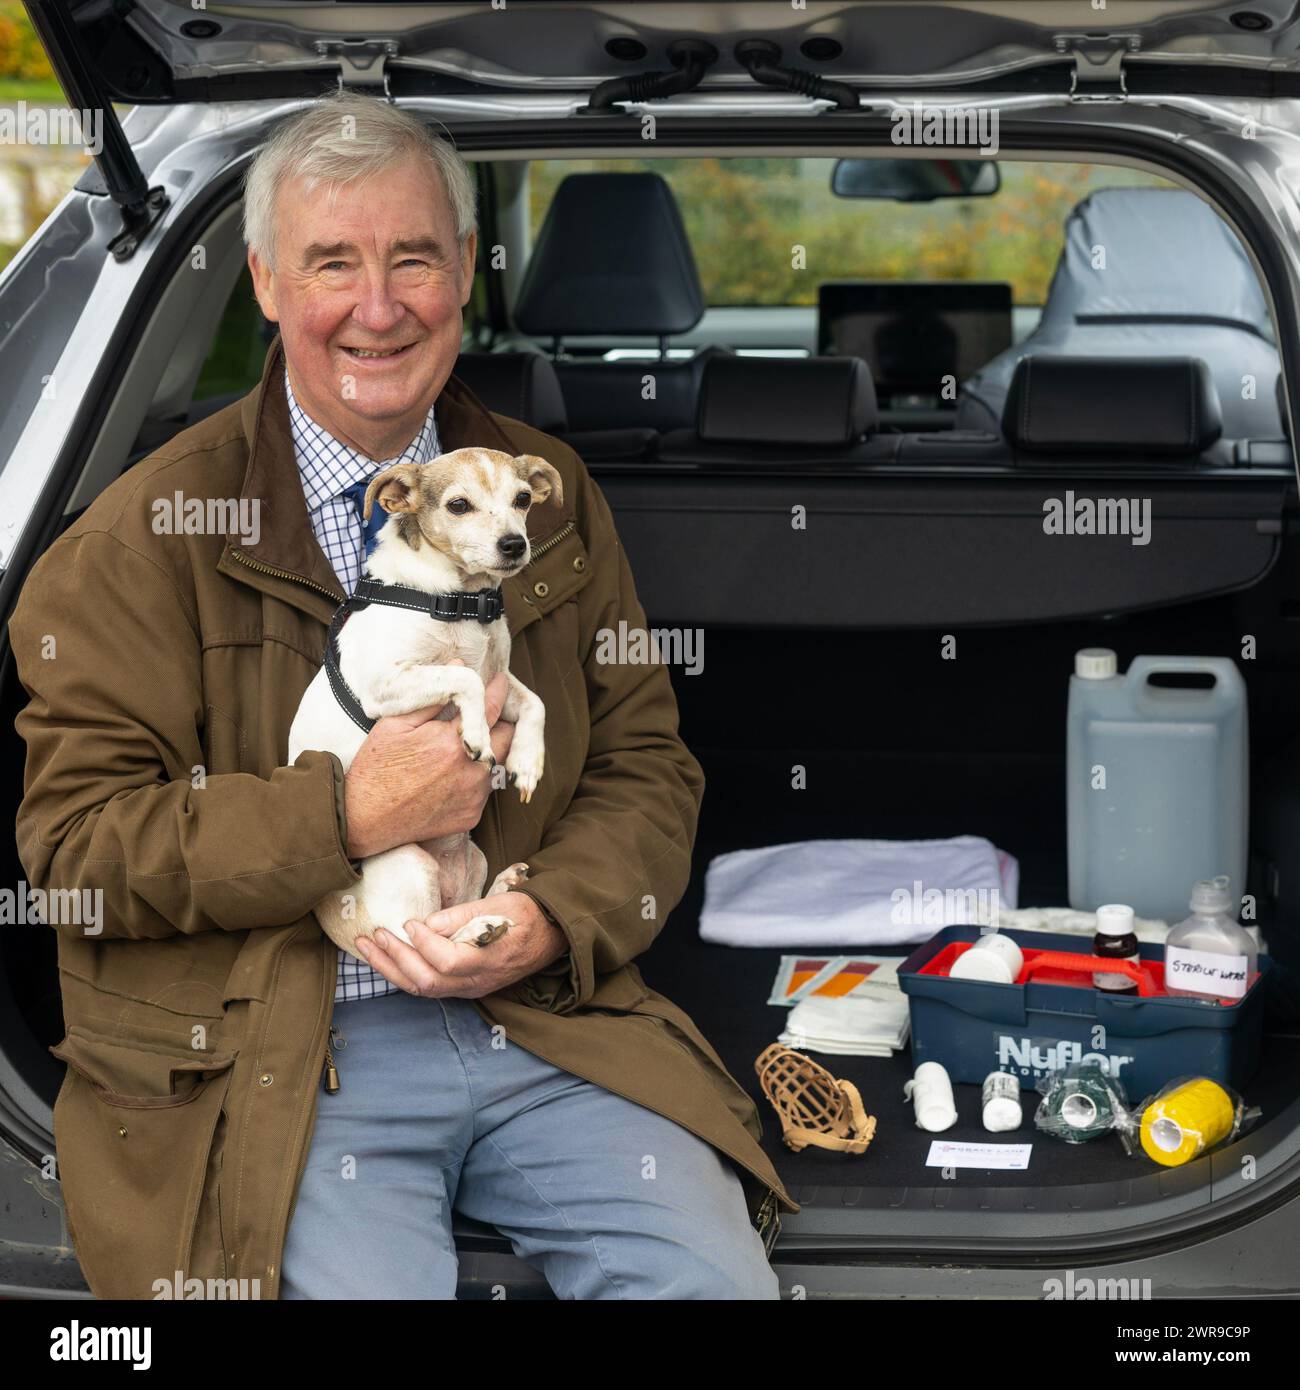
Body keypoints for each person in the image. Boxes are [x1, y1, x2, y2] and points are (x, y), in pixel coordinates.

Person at [10, 91, 790, 1301]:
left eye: (414, 258)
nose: (378, 309)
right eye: (333, 262)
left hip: (541, 1017)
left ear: (468, 273)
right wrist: (343, 818)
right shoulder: (135, 541)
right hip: (283, 1048)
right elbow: (74, 854)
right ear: (267, 282)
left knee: (710, 1285)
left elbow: (647, 767)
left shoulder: (548, 495)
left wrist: (551, 918)